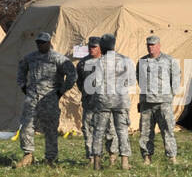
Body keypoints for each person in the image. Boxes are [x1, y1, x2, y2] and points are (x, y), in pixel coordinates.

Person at [15, 31, 76, 167]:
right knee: (26, 126)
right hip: (32, 98)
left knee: (50, 129)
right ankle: (28, 155)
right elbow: (21, 69)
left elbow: (72, 74)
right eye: (38, 43)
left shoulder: (58, 59)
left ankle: (50, 158)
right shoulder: (30, 58)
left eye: (43, 43)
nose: (40, 45)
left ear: (49, 43)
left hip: (49, 99)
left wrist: (61, 91)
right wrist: (23, 86)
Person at [87, 33, 134, 169]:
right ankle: (125, 162)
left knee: (99, 131)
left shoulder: (99, 62)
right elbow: (131, 81)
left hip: (103, 100)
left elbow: (96, 82)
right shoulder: (126, 60)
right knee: (122, 131)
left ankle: (96, 162)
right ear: (114, 45)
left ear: (102, 46)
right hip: (121, 100)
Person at [136, 34, 181, 164]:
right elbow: (139, 77)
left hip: (163, 102)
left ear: (159, 46)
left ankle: (172, 157)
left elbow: (176, 78)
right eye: (149, 45)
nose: (151, 48)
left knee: (167, 129)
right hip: (147, 103)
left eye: (153, 45)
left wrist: (170, 95)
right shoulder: (142, 61)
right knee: (145, 131)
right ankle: (146, 157)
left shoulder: (169, 60)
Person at [76, 36, 116, 161]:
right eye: (89, 47)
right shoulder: (82, 63)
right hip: (89, 102)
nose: (91, 49)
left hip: (106, 102)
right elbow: (79, 81)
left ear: (100, 48)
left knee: (109, 129)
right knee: (88, 129)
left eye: (94, 47)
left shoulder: (108, 62)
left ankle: (112, 156)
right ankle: (92, 157)